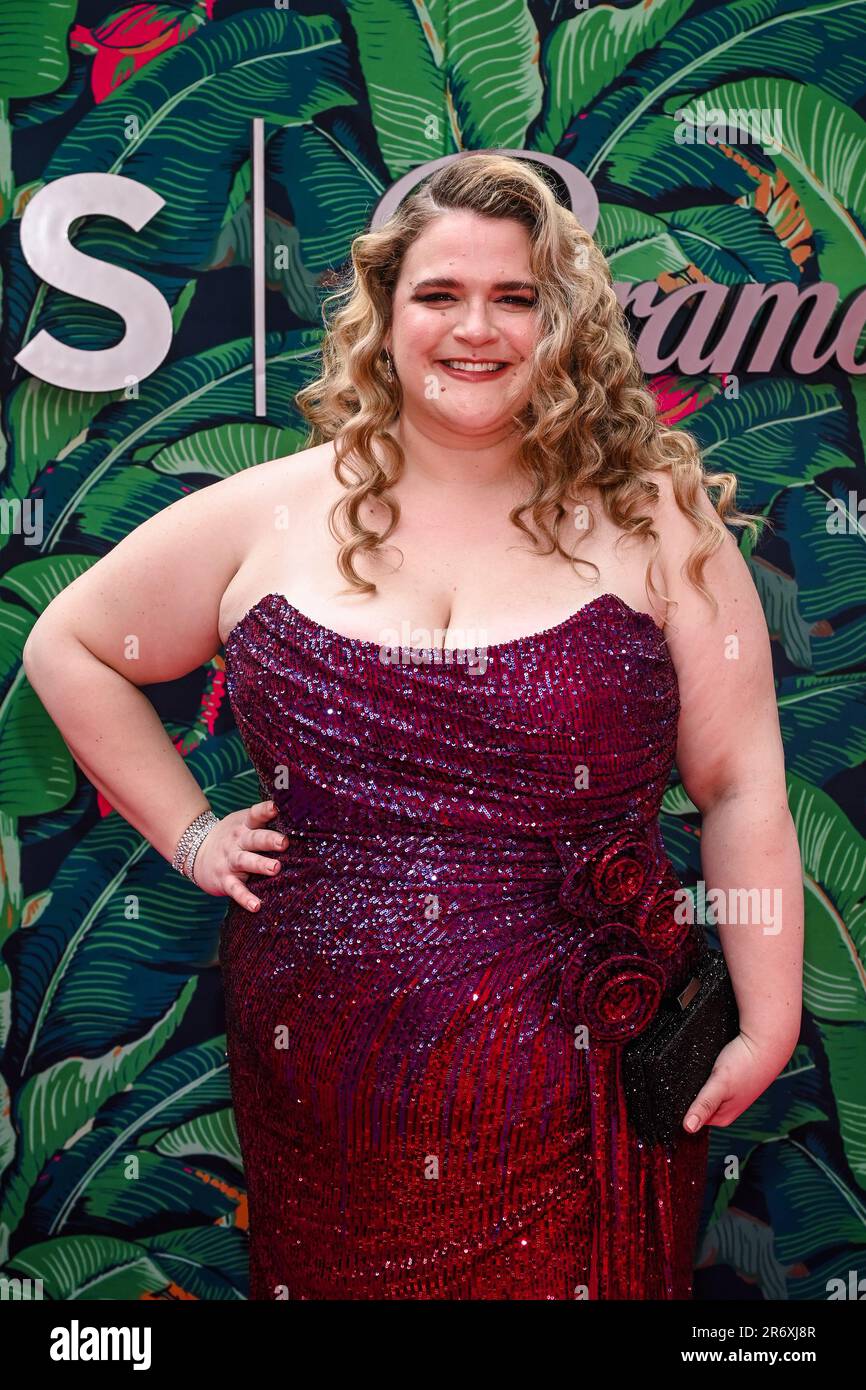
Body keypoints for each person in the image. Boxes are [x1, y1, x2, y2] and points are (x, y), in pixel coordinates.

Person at [23, 153, 803, 1300]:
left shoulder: (654, 519)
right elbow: (68, 645)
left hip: (583, 1065)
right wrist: (191, 835)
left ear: (564, 323)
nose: (473, 328)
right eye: (438, 295)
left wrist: (769, 1018)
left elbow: (738, 782)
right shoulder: (273, 509)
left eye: (516, 297)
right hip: (327, 1071)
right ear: (383, 315)